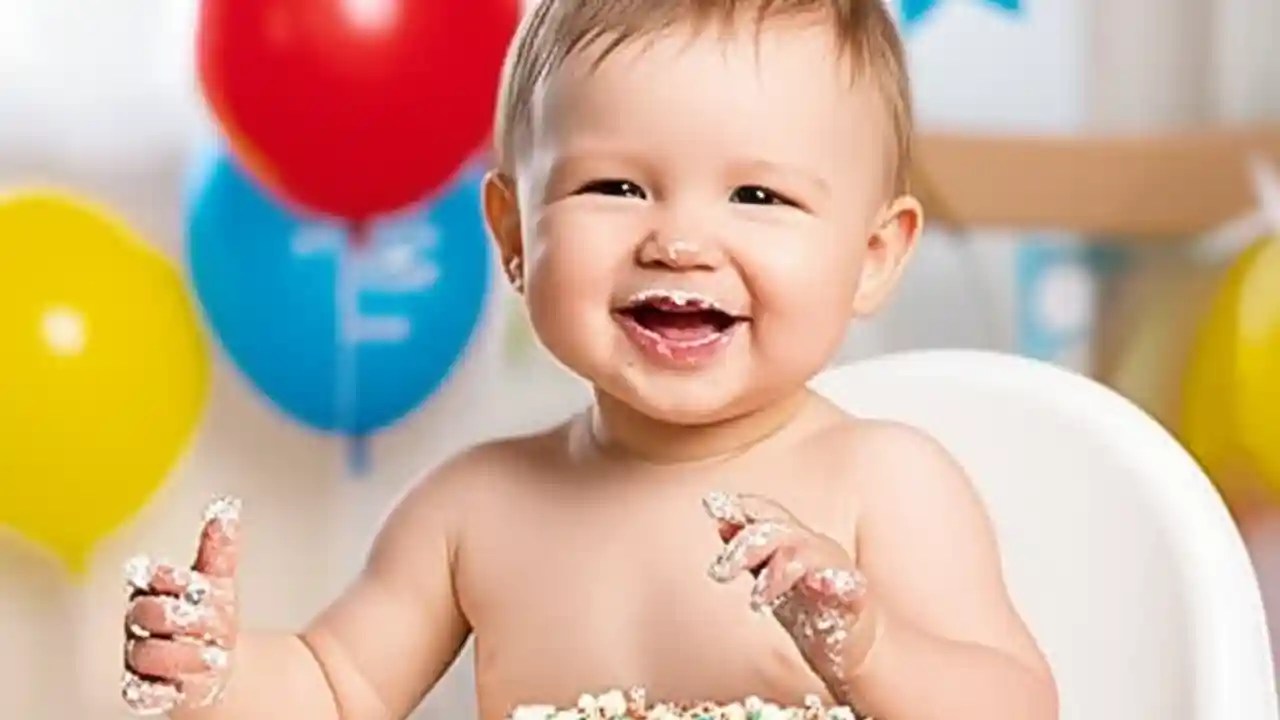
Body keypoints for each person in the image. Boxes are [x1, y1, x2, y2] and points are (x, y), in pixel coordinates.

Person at [120, 1, 1058, 717]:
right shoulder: (473, 507)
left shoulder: (883, 482)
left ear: (872, 256)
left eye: (759, 196)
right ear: (512, 235)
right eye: (615, 185)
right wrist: (220, 670)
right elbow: (335, 683)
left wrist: (871, 649)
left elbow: (1018, 703)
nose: (680, 240)